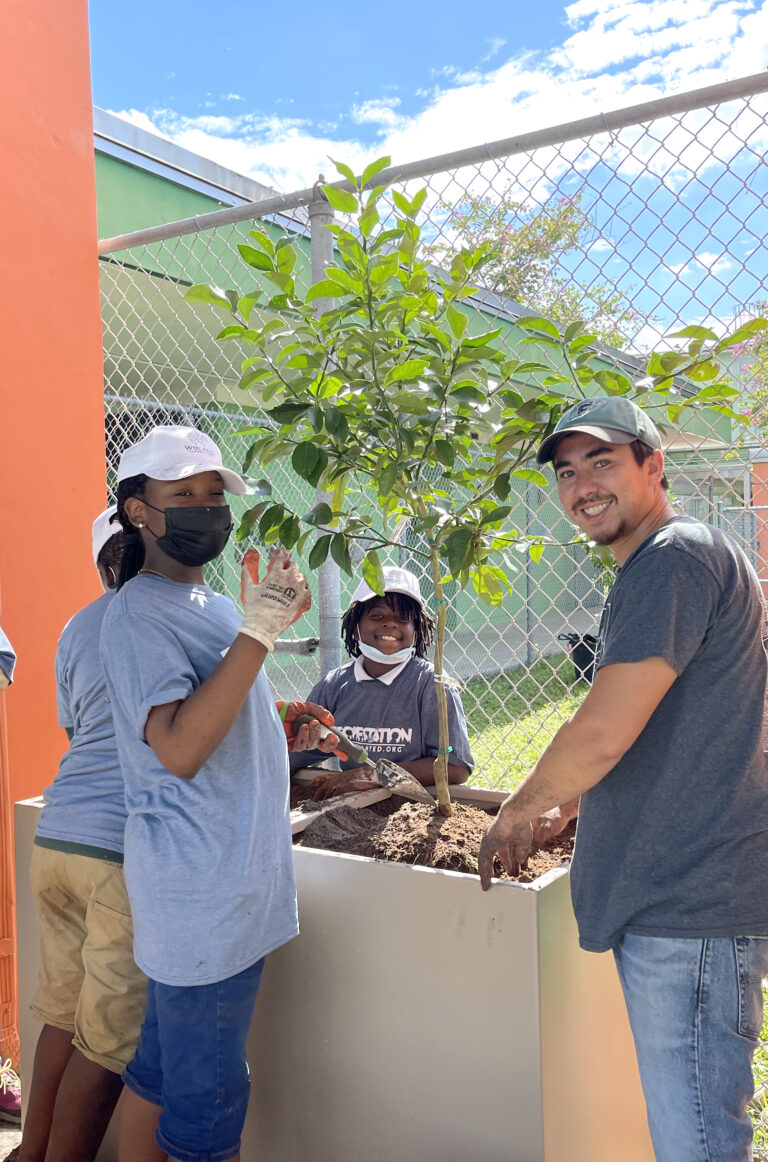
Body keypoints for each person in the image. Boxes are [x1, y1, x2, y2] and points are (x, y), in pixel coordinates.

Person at [478, 396, 768, 1162]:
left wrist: (519, 808)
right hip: (686, 899)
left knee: (698, 1142)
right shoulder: (672, 557)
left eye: (602, 462)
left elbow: (603, 730)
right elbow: (657, 717)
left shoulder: (670, 559)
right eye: (567, 472)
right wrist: (576, 798)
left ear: (653, 465)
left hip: (689, 905)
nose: (582, 486)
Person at [99, 425, 335, 1162]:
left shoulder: (208, 607)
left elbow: (220, 714)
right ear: (138, 510)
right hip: (204, 898)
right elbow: (178, 748)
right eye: (183, 495)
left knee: (162, 1071)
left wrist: (281, 724)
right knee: (209, 1112)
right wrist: (260, 632)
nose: (206, 507)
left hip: (225, 891)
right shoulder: (138, 614)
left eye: (212, 493)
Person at [17, 507, 147, 1162]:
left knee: (62, 1016)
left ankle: (30, 1149)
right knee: (109, 1039)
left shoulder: (77, 626)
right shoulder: (173, 615)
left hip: (58, 836)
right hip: (116, 850)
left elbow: (78, 734)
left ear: (102, 566)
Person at [291, 566, 474, 799]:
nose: (390, 624)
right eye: (377, 616)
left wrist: (373, 775)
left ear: (416, 630)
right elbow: (293, 758)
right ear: (355, 629)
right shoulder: (334, 686)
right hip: (353, 810)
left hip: (414, 808)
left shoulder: (431, 685)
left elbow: (454, 766)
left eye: (402, 618)